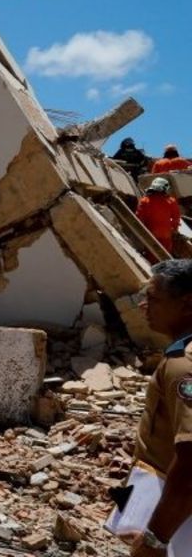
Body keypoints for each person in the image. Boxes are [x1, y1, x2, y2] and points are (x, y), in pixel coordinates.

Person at [114, 260, 192, 556]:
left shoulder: (184, 364)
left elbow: (189, 461)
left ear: (187, 304)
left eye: (154, 299)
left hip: (178, 524)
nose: (144, 305)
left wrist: (156, 539)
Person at [136, 177, 182, 254]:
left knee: (150, 257)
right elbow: (176, 218)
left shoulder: (144, 201)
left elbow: (139, 218)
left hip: (149, 235)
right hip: (166, 236)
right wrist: (174, 229)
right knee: (164, 256)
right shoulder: (171, 201)